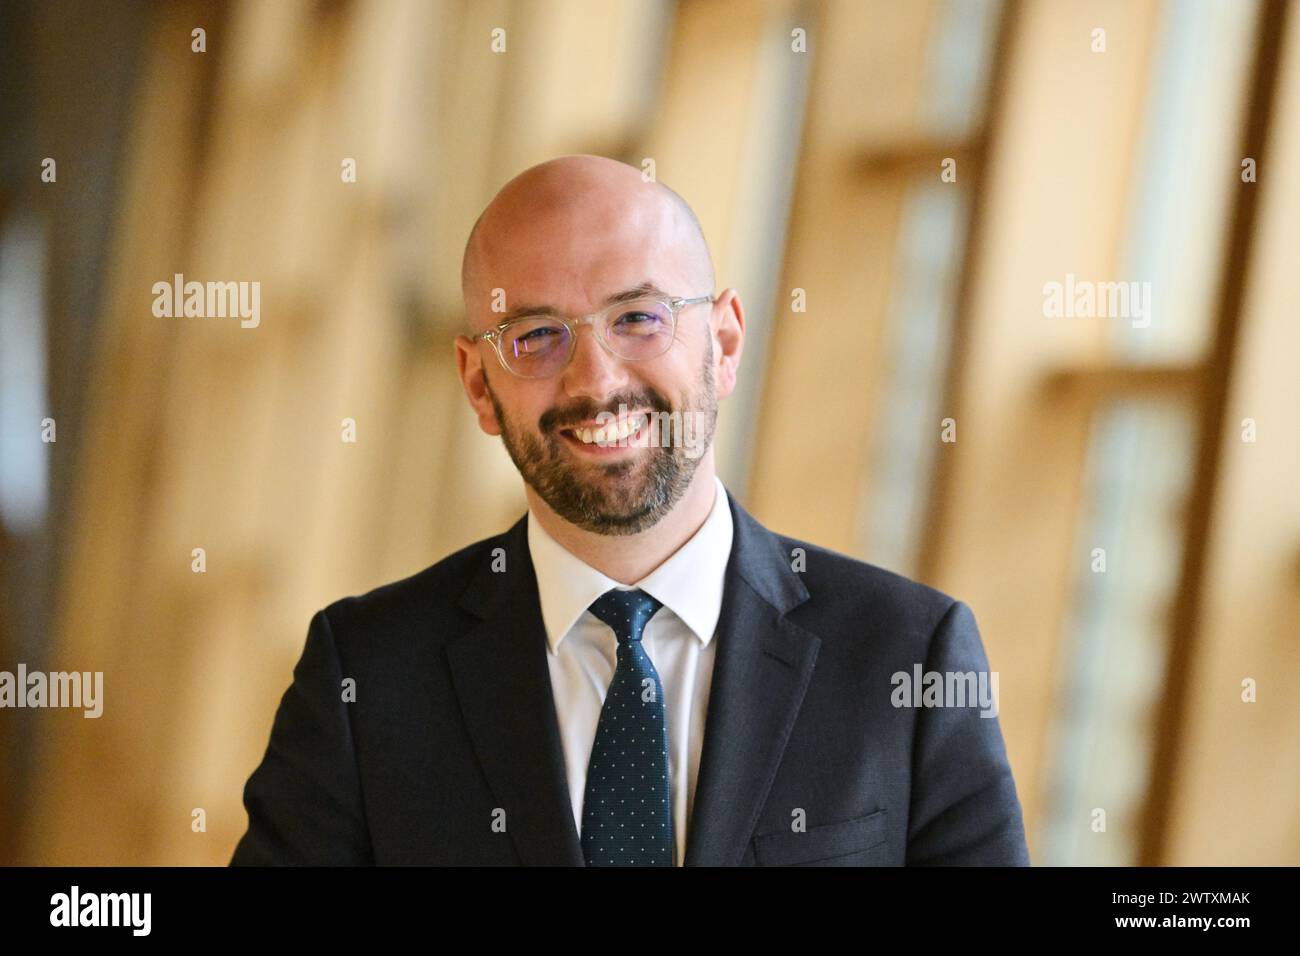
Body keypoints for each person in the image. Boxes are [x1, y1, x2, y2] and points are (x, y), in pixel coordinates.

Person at [231, 154, 1030, 866]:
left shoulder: (908, 656)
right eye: (536, 336)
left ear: (722, 343)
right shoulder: (367, 676)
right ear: (479, 384)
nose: (595, 380)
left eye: (639, 318)